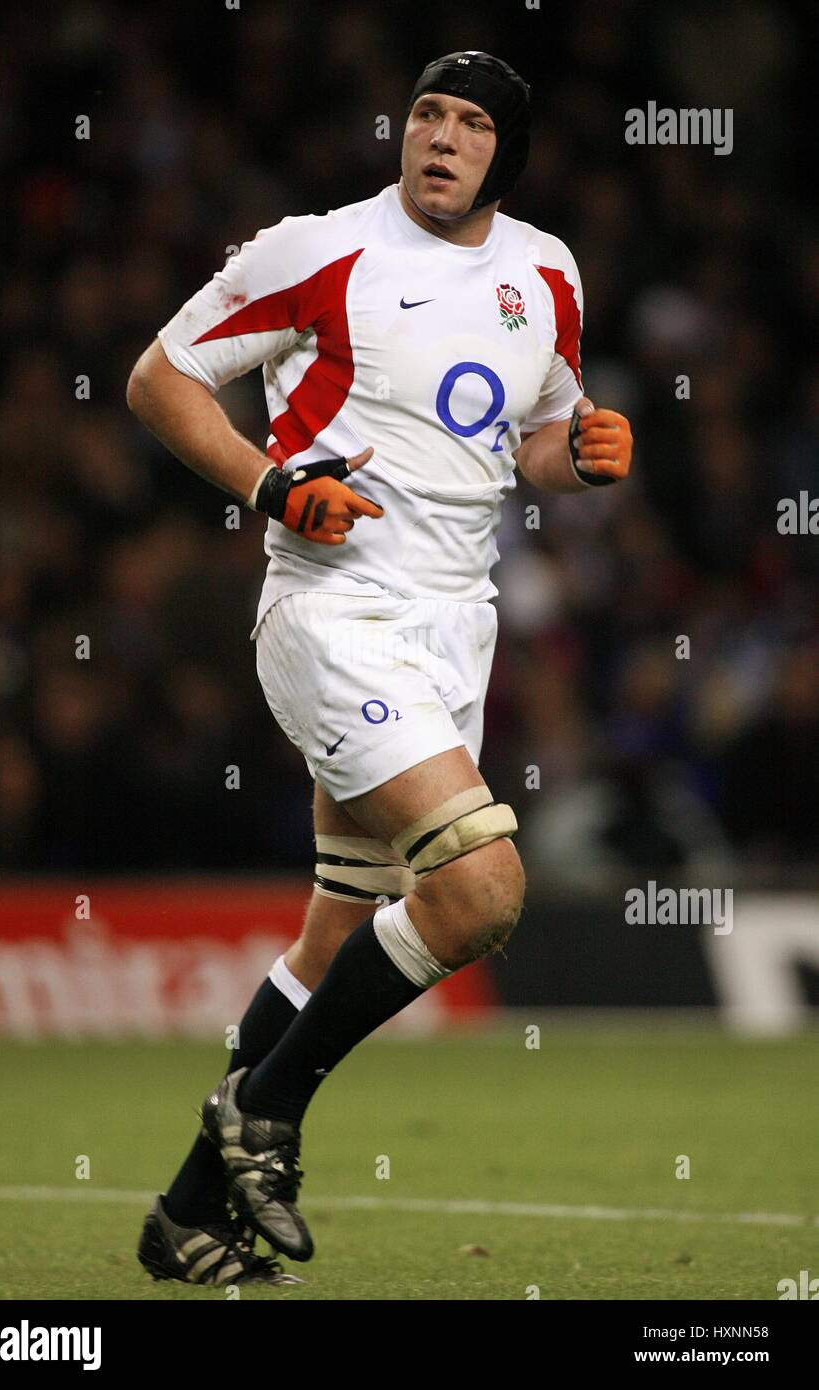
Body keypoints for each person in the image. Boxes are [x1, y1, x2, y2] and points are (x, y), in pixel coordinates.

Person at [127, 49, 633, 1285]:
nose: (440, 140)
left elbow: (530, 443)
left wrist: (587, 454)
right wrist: (270, 482)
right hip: (335, 614)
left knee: (333, 929)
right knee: (481, 890)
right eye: (426, 115)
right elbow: (160, 380)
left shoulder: (546, 271)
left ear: (503, 155)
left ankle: (188, 1214)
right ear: (400, 131)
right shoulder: (313, 250)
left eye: (468, 125)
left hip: (457, 626)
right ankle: (270, 1113)